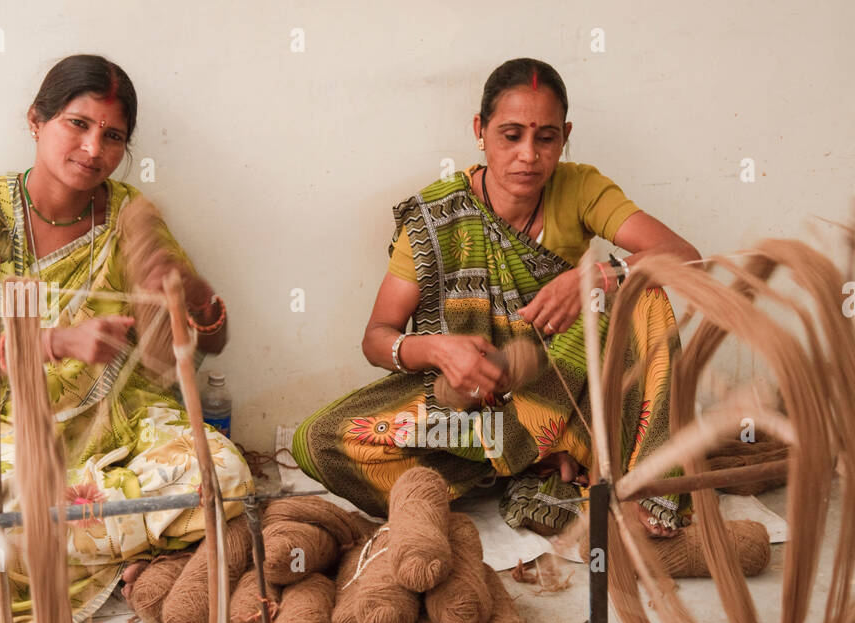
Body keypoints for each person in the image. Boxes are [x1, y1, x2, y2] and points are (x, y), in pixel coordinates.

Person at [0, 54, 252, 623]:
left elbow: (200, 347)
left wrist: (204, 307)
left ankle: (53, 546)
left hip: (122, 424)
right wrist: (56, 341)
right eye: (77, 125)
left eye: (112, 137)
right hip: (7, 432)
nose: (92, 149)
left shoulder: (130, 216)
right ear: (36, 120)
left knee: (226, 476)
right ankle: (132, 553)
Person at [292, 57, 700, 537]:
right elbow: (377, 339)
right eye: (511, 135)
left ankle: (644, 490)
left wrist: (600, 274)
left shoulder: (581, 188)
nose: (529, 154)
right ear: (479, 131)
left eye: (545, 137)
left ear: (564, 136)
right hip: (472, 401)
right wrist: (439, 350)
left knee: (645, 294)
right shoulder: (436, 215)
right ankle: (520, 462)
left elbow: (686, 258)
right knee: (318, 442)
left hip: (560, 385)